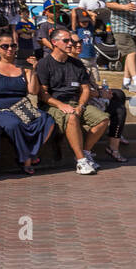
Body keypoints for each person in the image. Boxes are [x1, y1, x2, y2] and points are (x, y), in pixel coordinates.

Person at [0, 27, 56, 174]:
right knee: (14, 125)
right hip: (1, 108)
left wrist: (33, 70)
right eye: (5, 46)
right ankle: (26, 160)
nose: (9, 49)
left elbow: (33, 91)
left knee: (47, 121)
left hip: (22, 106)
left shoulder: (22, 67)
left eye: (13, 46)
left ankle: (32, 154)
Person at [36, 26, 111, 174]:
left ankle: (86, 152)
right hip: (53, 105)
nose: (71, 44)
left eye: (70, 40)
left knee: (103, 119)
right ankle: (81, 161)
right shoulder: (44, 64)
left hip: (76, 103)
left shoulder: (77, 64)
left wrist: (81, 106)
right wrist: (60, 105)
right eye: (66, 41)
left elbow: (85, 89)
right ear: (54, 42)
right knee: (71, 117)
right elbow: (42, 94)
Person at [71, 33, 129, 163]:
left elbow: (88, 84)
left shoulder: (79, 62)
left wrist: (100, 90)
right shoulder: (71, 64)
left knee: (119, 94)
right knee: (119, 110)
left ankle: (115, 135)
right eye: (74, 43)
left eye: (80, 41)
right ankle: (113, 146)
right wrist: (99, 94)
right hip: (81, 101)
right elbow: (78, 88)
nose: (79, 45)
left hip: (91, 95)